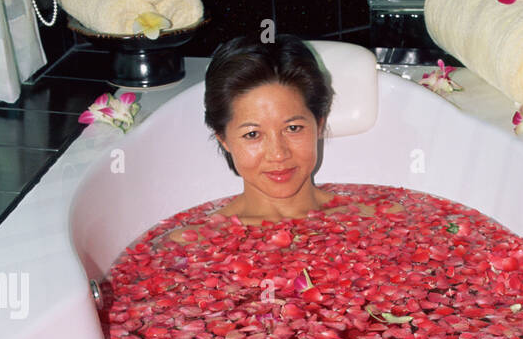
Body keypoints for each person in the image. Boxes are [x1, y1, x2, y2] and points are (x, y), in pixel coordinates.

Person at [159, 33, 392, 242]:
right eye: (252, 134)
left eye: (293, 128)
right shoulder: (188, 242)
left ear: (319, 124)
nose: (278, 153)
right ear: (224, 140)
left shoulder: (383, 220)